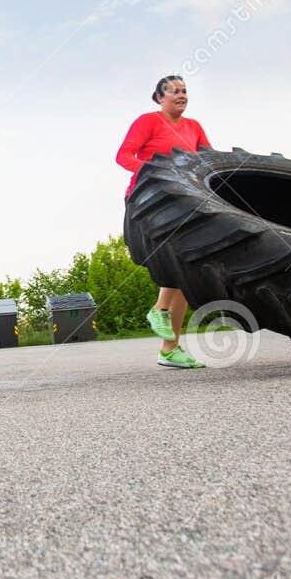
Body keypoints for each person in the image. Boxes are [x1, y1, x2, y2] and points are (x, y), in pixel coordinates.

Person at [117, 75, 212, 369]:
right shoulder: (148, 121)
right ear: (160, 98)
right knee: (178, 255)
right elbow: (123, 156)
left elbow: (209, 159)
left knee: (184, 272)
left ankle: (169, 349)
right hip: (150, 200)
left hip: (185, 201)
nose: (181, 95)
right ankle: (159, 308)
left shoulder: (194, 127)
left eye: (184, 91)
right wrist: (158, 171)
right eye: (174, 91)